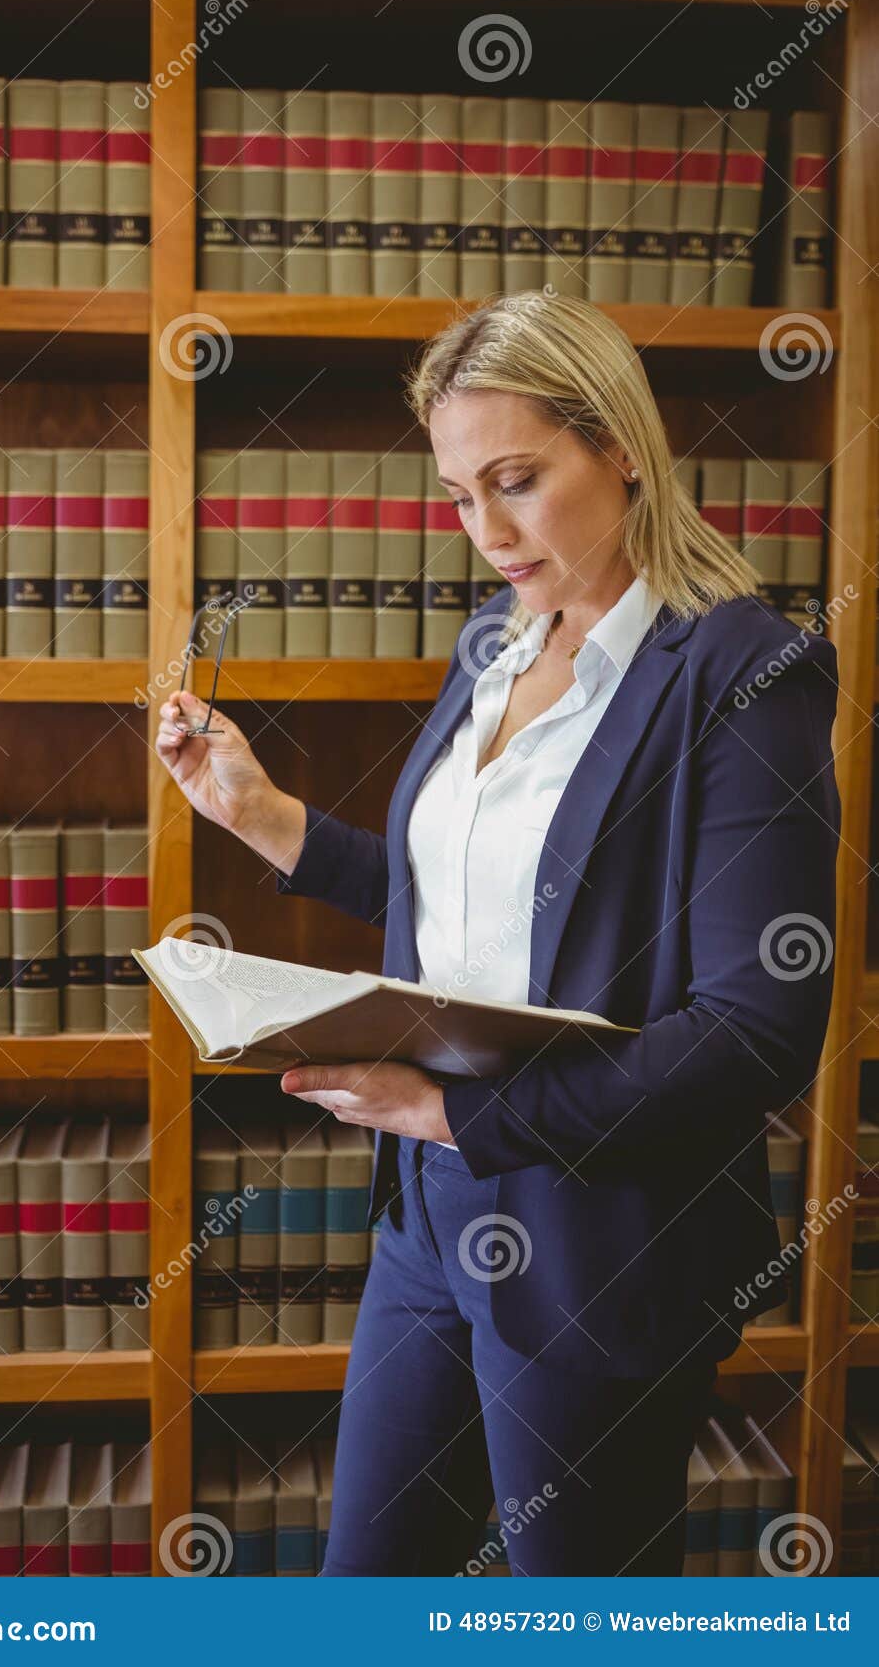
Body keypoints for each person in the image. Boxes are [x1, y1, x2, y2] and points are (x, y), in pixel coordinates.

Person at [155, 291, 841, 1576]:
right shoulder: (494, 646)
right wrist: (259, 814)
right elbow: (455, 909)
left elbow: (757, 1032)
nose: (487, 531)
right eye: (461, 494)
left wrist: (459, 1115)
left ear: (620, 445)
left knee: (571, 1615)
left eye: (516, 480)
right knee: (367, 1598)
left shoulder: (743, 673)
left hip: (599, 1236)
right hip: (425, 1220)